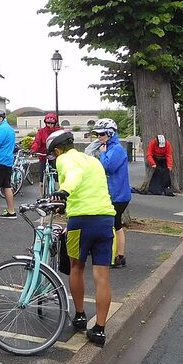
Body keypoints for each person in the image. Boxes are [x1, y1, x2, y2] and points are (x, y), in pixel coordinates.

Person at [48, 129, 116, 347]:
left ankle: (79, 316)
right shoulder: (93, 160)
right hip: (106, 220)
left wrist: (63, 191)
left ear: (58, 150)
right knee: (102, 275)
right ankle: (100, 330)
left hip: (81, 222)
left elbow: (73, 175)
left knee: (77, 267)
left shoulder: (64, 159)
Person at [91, 119, 131, 268]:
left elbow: (108, 167)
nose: (99, 137)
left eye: (101, 134)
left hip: (117, 194)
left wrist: (102, 154)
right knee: (116, 224)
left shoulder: (117, 149)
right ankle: (119, 255)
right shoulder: (110, 147)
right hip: (116, 193)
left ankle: (116, 257)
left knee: (113, 225)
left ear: (110, 133)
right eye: (97, 134)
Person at [31, 113, 61, 192]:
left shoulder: (58, 131)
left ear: (55, 123)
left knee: (56, 176)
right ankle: (41, 197)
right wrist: (33, 150)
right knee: (41, 177)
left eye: (52, 123)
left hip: (55, 155)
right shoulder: (41, 132)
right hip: (43, 156)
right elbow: (37, 142)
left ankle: (57, 195)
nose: (50, 125)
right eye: (48, 123)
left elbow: (62, 142)